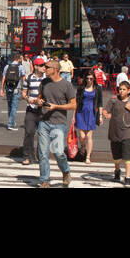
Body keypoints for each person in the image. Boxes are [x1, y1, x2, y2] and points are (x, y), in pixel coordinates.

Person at [35, 57, 76, 188]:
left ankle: (66, 171)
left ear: (56, 70)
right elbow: (39, 98)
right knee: (43, 153)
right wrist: (39, 102)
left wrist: (55, 107)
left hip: (59, 123)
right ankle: (44, 180)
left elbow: (73, 105)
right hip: (44, 122)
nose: (44, 69)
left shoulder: (66, 85)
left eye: (47, 67)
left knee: (58, 152)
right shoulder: (44, 82)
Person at [98, 80, 130, 185]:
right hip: (114, 131)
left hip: (127, 131)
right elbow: (105, 110)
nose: (121, 91)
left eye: (124, 89)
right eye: (120, 89)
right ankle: (117, 170)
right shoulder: (114, 100)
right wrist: (105, 114)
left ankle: (128, 177)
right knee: (116, 156)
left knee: (127, 155)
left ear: (128, 91)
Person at [21, 56, 46, 166]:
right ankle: (27, 156)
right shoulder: (29, 78)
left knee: (43, 134)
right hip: (31, 108)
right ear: (35, 66)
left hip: (43, 110)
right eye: (41, 65)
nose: (43, 67)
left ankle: (41, 156)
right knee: (29, 132)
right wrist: (28, 99)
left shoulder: (46, 78)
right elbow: (24, 93)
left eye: (44, 65)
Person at [74, 73, 100, 163]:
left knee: (89, 136)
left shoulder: (97, 89)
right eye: (87, 78)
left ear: (94, 79)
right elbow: (76, 102)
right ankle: (83, 146)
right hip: (81, 112)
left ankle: (88, 156)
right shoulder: (81, 88)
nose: (89, 80)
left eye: (91, 78)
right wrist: (74, 116)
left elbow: (100, 103)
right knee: (82, 136)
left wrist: (100, 116)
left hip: (91, 113)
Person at [2, 55, 24, 130]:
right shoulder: (20, 67)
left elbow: (4, 78)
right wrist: (23, 87)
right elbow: (23, 77)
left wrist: (2, 89)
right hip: (16, 88)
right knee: (14, 107)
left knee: (10, 106)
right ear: (18, 59)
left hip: (8, 88)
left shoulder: (7, 66)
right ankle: (11, 125)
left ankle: (11, 121)